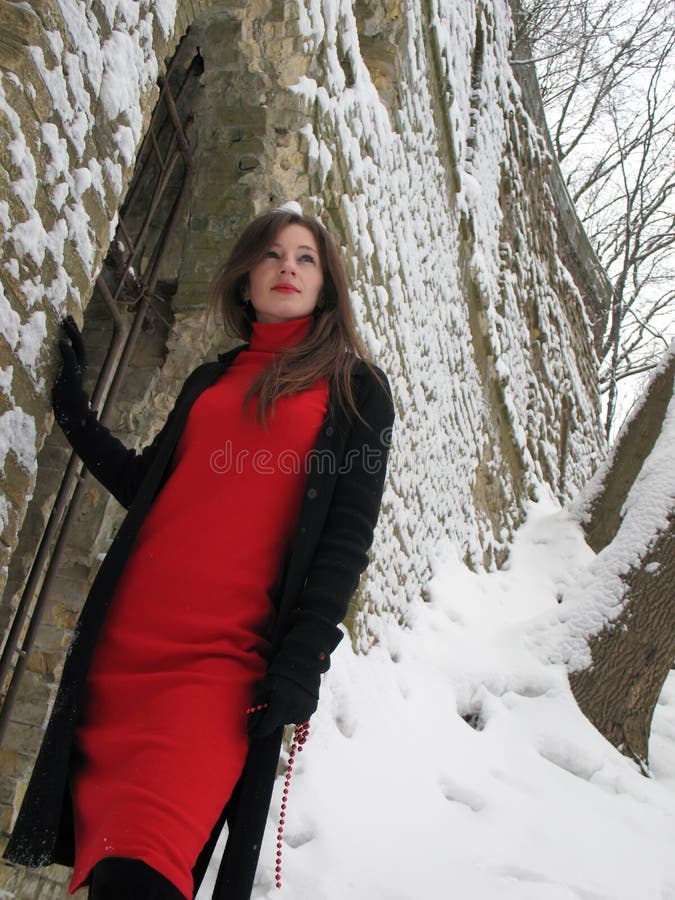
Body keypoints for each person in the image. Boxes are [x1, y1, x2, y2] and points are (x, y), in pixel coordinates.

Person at [3, 207, 395, 900]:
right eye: (272, 254)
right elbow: (147, 487)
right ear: (245, 280)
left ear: (326, 286)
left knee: (147, 865)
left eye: (306, 258)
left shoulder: (355, 390)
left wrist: (304, 658)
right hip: (126, 652)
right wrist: (73, 414)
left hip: (220, 671)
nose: (287, 266)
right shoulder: (208, 382)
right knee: (115, 872)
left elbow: (345, 540)